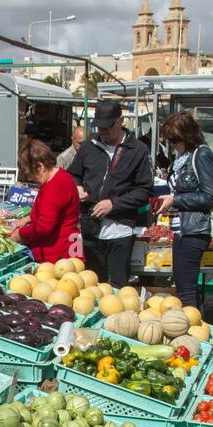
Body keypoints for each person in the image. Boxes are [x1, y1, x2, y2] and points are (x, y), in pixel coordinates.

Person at [68, 98, 153, 287]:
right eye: (100, 127)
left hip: (121, 229)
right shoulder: (89, 147)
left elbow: (144, 190)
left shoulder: (138, 150)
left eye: (108, 127)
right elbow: (73, 174)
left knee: (117, 286)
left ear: (120, 121)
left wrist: (113, 204)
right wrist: (77, 186)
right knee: (92, 285)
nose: (103, 131)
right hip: (90, 227)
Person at [152, 112, 213, 309]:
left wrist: (175, 199)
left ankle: (192, 334)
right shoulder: (183, 158)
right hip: (182, 229)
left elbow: (210, 196)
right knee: (182, 285)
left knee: (186, 289)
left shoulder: (202, 155)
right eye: (169, 140)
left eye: (175, 139)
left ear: (187, 136)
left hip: (194, 231)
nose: (172, 144)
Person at [13, 139, 81, 263]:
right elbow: (51, 211)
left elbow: (44, 226)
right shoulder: (61, 175)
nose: (30, 178)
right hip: (69, 247)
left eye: (29, 173)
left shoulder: (54, 187)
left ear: (40, 167)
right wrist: (27, 219)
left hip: (59, 255)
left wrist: (20, 233)